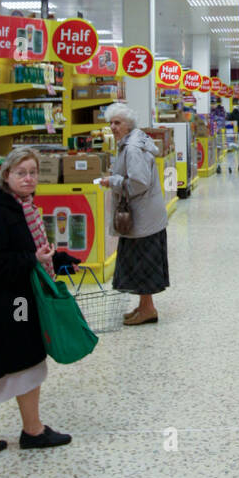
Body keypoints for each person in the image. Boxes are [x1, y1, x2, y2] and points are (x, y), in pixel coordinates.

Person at [0, 146, 76, 458]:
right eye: (21, 173)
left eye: (33, 173)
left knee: (14, 363)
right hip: (11, 302)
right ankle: (29, 431)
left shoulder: (21, 207)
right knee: (20, 360)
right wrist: (33, 260)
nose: (29, 179)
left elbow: (27, 251)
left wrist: (58, 260)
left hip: (18, 297)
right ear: (6, 175)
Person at [101, 104, 169, 325]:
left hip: (143, 217)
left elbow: (139, 183)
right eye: (111, 123)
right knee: (140, 262)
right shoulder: (133, 143)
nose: (113, 127)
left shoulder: (131, 149)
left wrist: (113, 181)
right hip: (146, 215)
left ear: (128, 125)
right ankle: (144, 306)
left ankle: (148, 309)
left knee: (142, 264)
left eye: (117, 123)